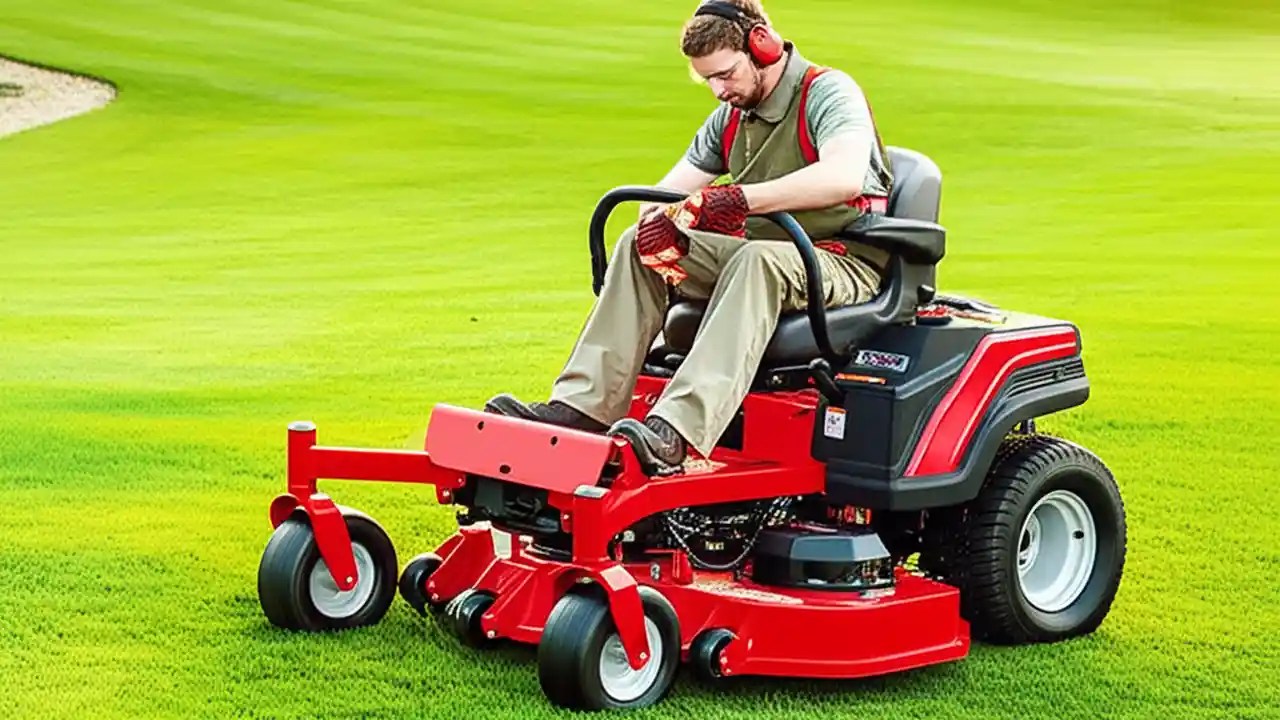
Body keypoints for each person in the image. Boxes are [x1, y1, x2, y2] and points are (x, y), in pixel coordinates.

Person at [486, 0, 893, 475]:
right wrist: (664, 222)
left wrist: (739, 200)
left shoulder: (828, 93)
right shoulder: (731, 117)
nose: (719, 91)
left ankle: (676, 430)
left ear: (760, 46)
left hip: (840, 260)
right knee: (638, 246)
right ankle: (583, 408)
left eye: (726, 74)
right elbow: (664, 194)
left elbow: (841, 178)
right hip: (766, 253)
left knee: (756, 260)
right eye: (708, 81)